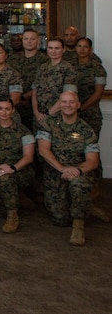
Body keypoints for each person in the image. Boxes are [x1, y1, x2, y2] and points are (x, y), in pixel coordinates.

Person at [36, 91, 100, 245]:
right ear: (59, 104)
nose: (67, 105)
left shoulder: (86, 129)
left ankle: (78, 226)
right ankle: (86, 204)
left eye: (71, 102)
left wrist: (77, 170)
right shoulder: (48, 123)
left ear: (78, 105)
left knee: (79, 185)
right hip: (55, 173)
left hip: (78, 172)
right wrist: (62, 169)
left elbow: (93, 161)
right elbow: (43, 150)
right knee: (60, 219)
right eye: (64, 102)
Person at [0, 98, 35, 233]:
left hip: (18, 170)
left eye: (7, 109)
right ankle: (18, 198)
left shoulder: (23, 130)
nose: (4, 112)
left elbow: (28, 157)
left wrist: (13, 168)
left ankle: (12, 217)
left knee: (6, 179)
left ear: (13, 110)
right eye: (0, 109)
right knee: (0, 209)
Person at [32, 38, 77, 126]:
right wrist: (36, 112)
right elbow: (34, 91)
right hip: (39, 116)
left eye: (57, 48)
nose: (53, 51)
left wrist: (49, 113)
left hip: (58, 116)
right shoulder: (42, 68)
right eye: (50, 48)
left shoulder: (68, 68)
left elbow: (69, 95)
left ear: (63, 50)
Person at [72, 37, 106, 136]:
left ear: (90, 49)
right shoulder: (69, 65)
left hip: (91, 114)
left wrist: (80, 109)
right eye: (79, 46)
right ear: (75, 48)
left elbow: (98, 94)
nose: (82, 49)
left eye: (85, 47)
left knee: (91, 143)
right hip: (71, 113)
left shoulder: (97, 68)